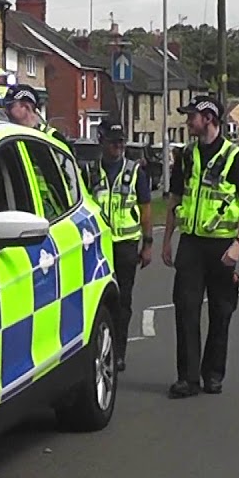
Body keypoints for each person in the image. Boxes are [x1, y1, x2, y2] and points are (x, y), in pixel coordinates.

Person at [160, 96, 239, 399]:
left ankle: (213, 374)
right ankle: (187, 378)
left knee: (221, 310)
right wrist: (166, 241)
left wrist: (238, 243)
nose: (188, 122)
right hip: (191, 244)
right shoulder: (186, 155)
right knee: (185, 309)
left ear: (209, 119)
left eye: (192, 117)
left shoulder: (233, 156)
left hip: (222, 246)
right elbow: (175, 200)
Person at [91, 120, 153, 372]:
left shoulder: (135, 172)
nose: (118, 146)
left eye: (121, 142)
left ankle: (118, 353)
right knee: (97, 302)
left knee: (122, 302)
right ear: (101, 141)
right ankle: (99, 349)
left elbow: (146, 209)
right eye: (113, 141)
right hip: (99, 247)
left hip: (126, 246)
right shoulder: (91, 171)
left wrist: (147, 243)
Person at [3, 84, 70, 146]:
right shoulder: (7, 138)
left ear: (26, 107)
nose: (5, 111)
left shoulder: (53, 138)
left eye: (10, 107)